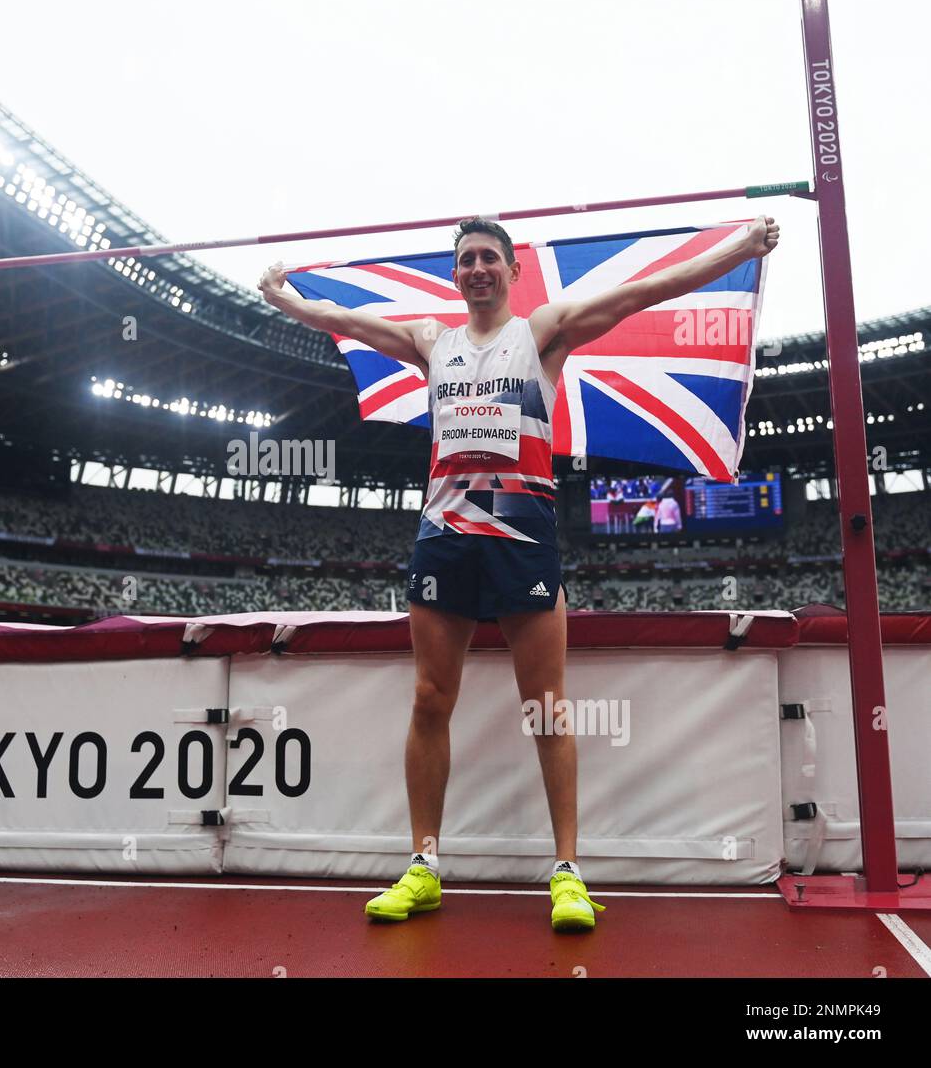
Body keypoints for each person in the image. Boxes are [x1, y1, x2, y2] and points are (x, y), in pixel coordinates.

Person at [258, 214, 779, 931]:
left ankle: (566, 872)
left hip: (522, 536)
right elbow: (346, 318)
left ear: (512, 270)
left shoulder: (541, 333)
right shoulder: (429, 343)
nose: (476, 268)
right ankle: (424, 866)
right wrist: (286, 299)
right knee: (430, 699)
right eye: (466, 259)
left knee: (547, 708)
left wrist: (737, 250)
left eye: (488, 258)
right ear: (456, 274)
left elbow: (642, 292)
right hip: (445, 536)